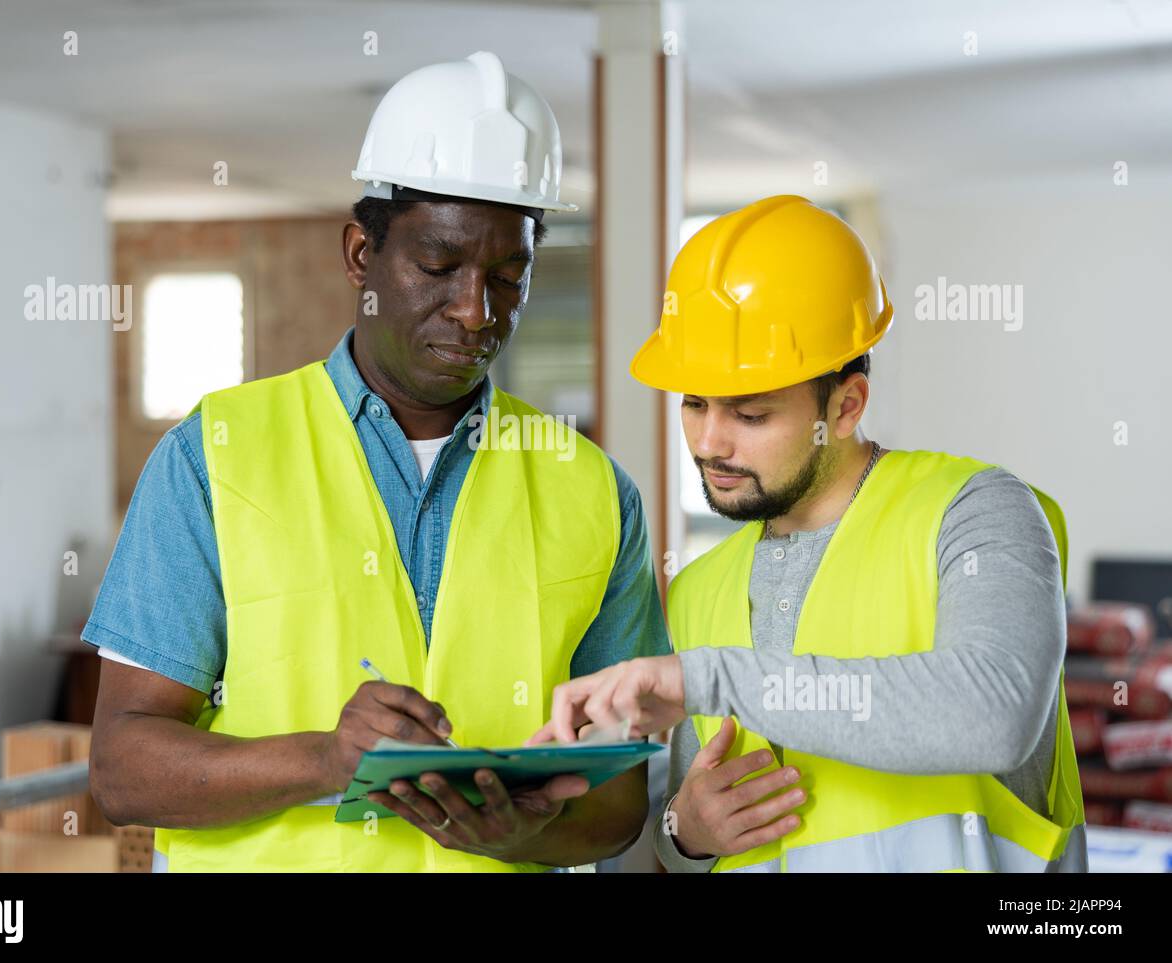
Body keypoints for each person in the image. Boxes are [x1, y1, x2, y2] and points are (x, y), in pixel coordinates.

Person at [85, 51, 669, 872]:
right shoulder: (214, 455)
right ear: (362, 253)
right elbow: (121, 767)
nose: (475, 311)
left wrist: (527, 831)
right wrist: (325, 758)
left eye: (509, 276)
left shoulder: (596, 491)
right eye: (439, 267)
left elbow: (617, 799)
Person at [534, 195, 1087, 872]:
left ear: (847, 404)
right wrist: (685, 832)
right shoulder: (701, 590)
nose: (709, 442)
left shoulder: (975, 513)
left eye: (752, 413)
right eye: (695, 403)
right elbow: (663, 847)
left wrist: (699, 677)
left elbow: (993, 715)